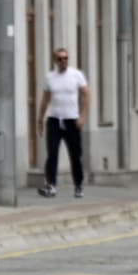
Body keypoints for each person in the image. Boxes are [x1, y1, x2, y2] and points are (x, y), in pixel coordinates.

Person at [35, 47, 89, 198]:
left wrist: (83, 116)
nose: (63, 61)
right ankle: (51, 186)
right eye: (60, 59)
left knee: (75, 155)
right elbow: (45, 99)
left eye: (66, 58)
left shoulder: (76, 75)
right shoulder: (50, 77)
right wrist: (40, 119)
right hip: (54, 120)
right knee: (52, 153)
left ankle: (78, 185)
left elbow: (87, 95)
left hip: (72, 120)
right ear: (55, 61)